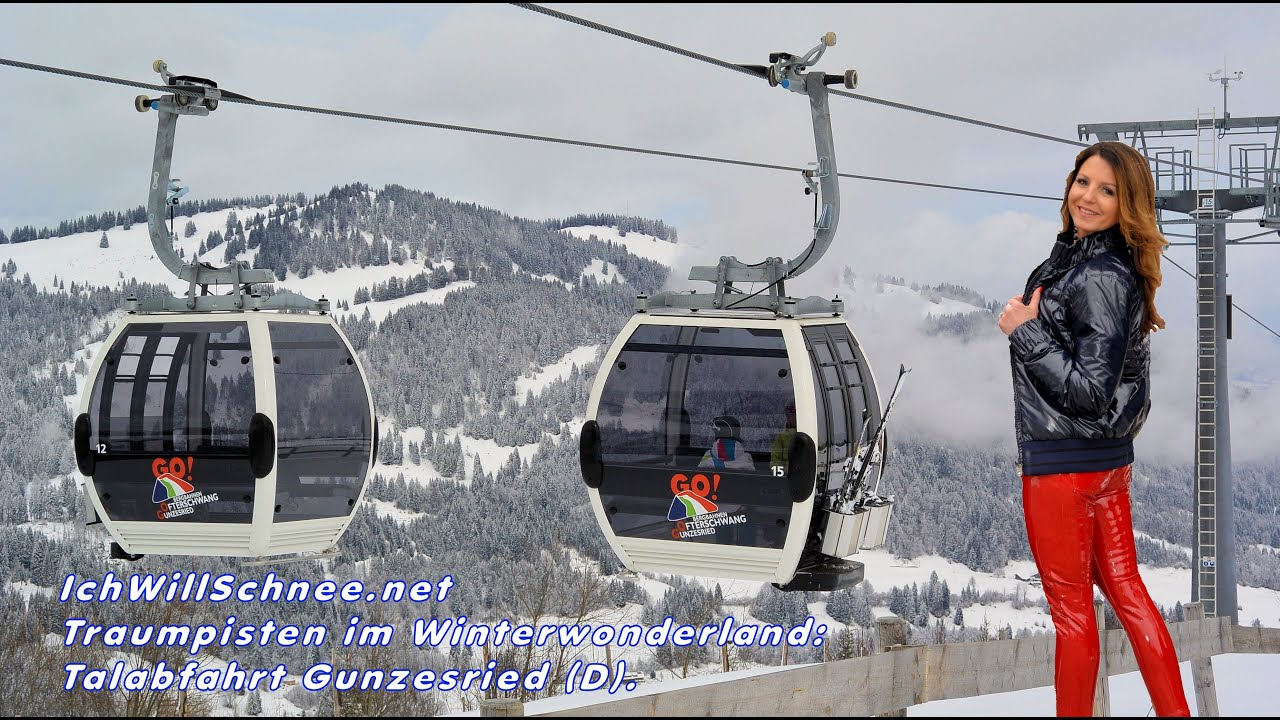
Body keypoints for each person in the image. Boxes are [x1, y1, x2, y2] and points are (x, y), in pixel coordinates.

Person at [998, 141, 1190, 717]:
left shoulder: (1099, 274)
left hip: (1064, 466)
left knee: (1074, 613)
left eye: (1107, 190)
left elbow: (1087, 391)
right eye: (1084, 181)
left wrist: (1023, 332)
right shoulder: (1089, 260)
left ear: (1126, 204)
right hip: (1103, 462)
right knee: (1127, 591)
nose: (1088, 196)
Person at [769, 401, 798, 470]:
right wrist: (783, 474)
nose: (790, 418)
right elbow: (775, 461)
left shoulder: (810, 434)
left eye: (793, 415)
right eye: (788, 415)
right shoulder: (781, 437)